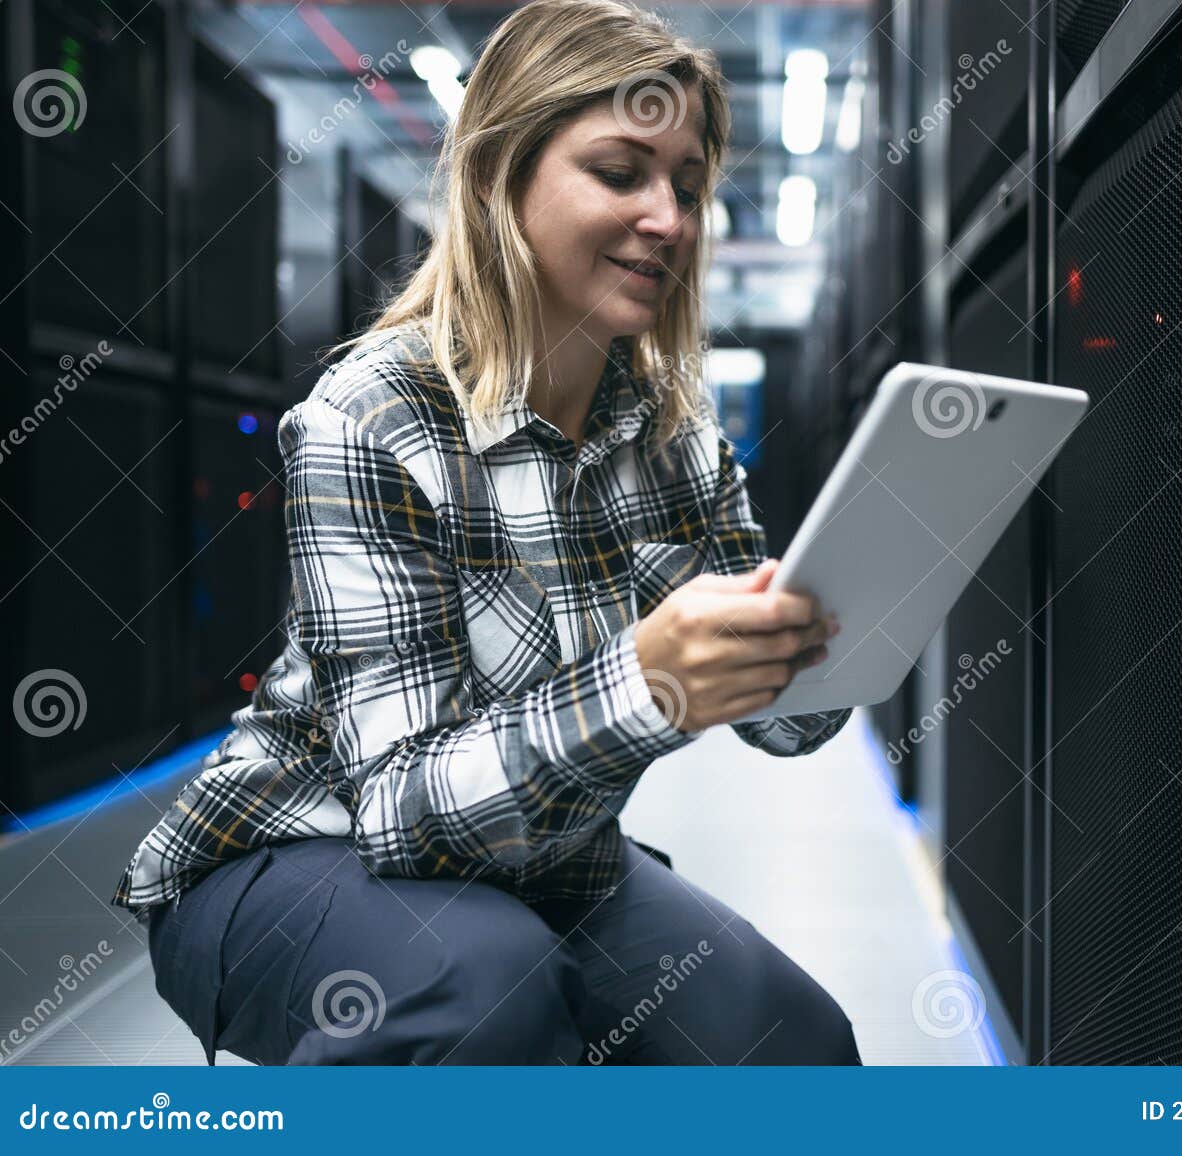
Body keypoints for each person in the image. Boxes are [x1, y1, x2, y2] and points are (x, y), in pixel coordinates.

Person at [108, 0, 859, 1066]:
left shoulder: (673, 429)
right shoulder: (371, 413)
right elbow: (406, 814)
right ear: (501, 178)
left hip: (539, 853)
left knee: (784, 1036)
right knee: (481, 987)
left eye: (687, 185)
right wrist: (644, 684)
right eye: (620, 171)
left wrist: (855, 610)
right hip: (293, 846)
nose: (670, 217)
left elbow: (790, 727)